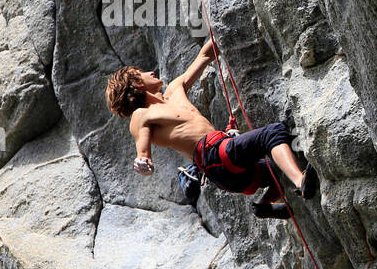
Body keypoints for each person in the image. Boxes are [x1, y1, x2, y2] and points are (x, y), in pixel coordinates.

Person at [104, 39, 318, 218]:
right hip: (215, 155)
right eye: (142, 73)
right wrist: (144, 160)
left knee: (277, 166)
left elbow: (206, 55)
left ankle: (263, 206)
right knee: (272, 134)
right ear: (136, 84)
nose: (151, 72)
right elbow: (142, 146)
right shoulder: (142, 115)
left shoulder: (175, 89)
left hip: (225, 172)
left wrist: (215, 30)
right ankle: (301, 182)